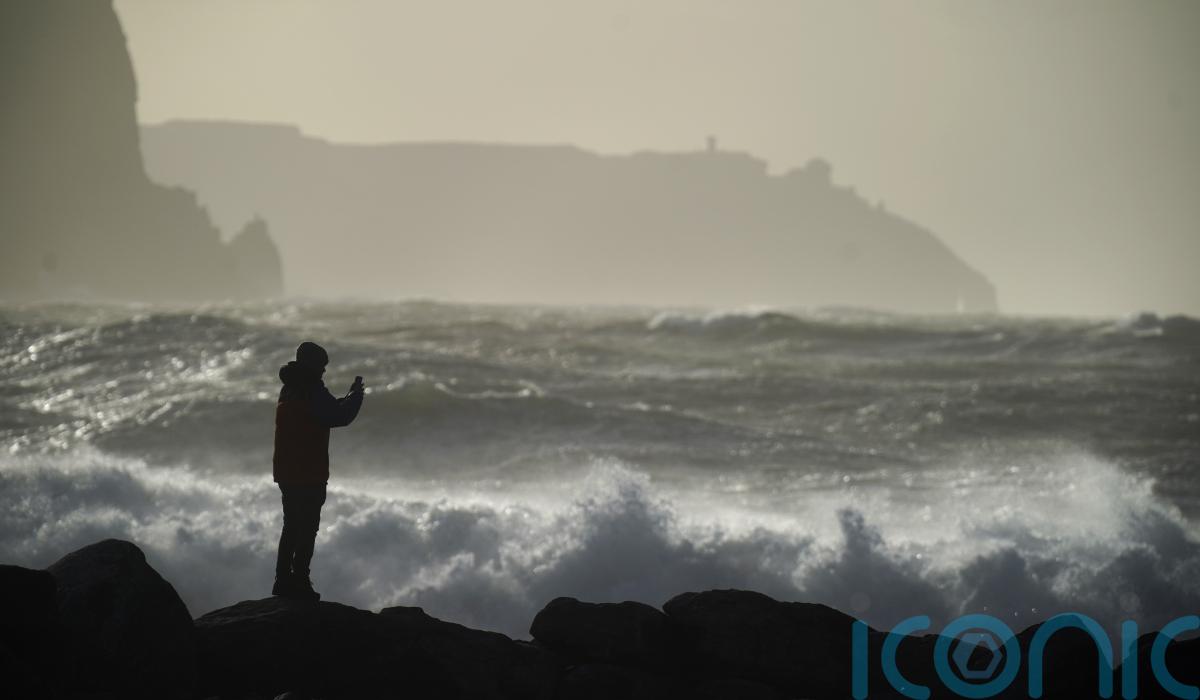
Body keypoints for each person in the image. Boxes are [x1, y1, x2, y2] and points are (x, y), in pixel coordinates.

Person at [271, 341, 364, 600]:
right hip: (308, 472)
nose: (323, 372)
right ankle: (300, 580)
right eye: (321, 367)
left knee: (291, 526)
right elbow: (339, 417)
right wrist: (357, 396)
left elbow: (325, 411)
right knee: (308, 527)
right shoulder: (311, 389)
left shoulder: (289, 387)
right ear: (312, 365)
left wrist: (344, 399)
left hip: (287, 470)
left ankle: (282, 580)